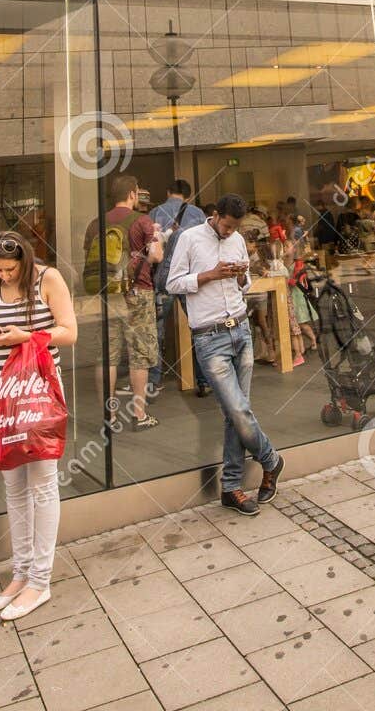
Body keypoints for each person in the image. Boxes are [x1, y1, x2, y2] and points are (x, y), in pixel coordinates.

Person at [0, 231, 77, 621]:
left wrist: (27, 337)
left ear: (26, 263)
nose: (2, 276)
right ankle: (20, 573)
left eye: (9, 270)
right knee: (13, 483)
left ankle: (40, 579)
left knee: (43, 481)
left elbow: (69, 331)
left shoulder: (48, 279)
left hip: (37, 388)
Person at [165, 192, 283, 516]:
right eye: (227, 226)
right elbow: (172, 283)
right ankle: (272, 460)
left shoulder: (238, 241)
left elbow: (243, 287)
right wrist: (209, 275)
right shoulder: (188, 239)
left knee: (236, 415)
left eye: (235, 228)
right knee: (239, 412)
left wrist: (242, 274)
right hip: (210, 338)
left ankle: (231, 488)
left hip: (241, 330)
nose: (230, 232)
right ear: (215, 215)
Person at [85, 174, 161, 429]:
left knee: (107, 356)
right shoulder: (142, 221)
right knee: (139, 354)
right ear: (132, 194)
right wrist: (157, 238)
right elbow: (156, 256)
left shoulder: (96, 224)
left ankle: (110, 417)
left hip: (107, 295)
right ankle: (139, 415)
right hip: (137, 292)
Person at [150, 179, 206, 399]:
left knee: (157, 330)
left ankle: (154, 381)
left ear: (168, 192)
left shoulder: (155, 212)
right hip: (189, 277)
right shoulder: (198, 214)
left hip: (162, 278)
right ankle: (203, 379)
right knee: (199, 326)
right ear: (188, 196)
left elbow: (151, 248)